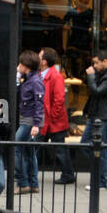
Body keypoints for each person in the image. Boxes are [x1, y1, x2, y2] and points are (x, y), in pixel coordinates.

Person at [80, 50, 107, 192]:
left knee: (101, 149)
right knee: (85, 145)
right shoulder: (104, 73)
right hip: (96, 115)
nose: (95, 65)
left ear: (105, 62)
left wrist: (91, 76)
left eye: (97, 62)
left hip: (104, 117)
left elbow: (97, 91)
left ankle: (101, 182)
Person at [39, 47, 76, 185]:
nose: (37, 58)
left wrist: (53, 116)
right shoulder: (42, 74)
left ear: (44, 61)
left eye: (40, 56)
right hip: (46, 119)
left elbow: (59, 99)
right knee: (34, 146)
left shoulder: (56, 76)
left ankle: (68, 174)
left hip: (54, 121)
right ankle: (25, 173)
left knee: (60, 150)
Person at [14, 50, 44, 195]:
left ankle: (24, 183)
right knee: (29, 152)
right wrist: (19, 77)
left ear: (26, 65)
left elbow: (39, 103)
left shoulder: (35, 81)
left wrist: (36, 125)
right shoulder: (29, 79)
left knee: (16, 147)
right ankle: (33, 184)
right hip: (27, 118)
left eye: (20, 63)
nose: (18, 65)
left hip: (29, 120)